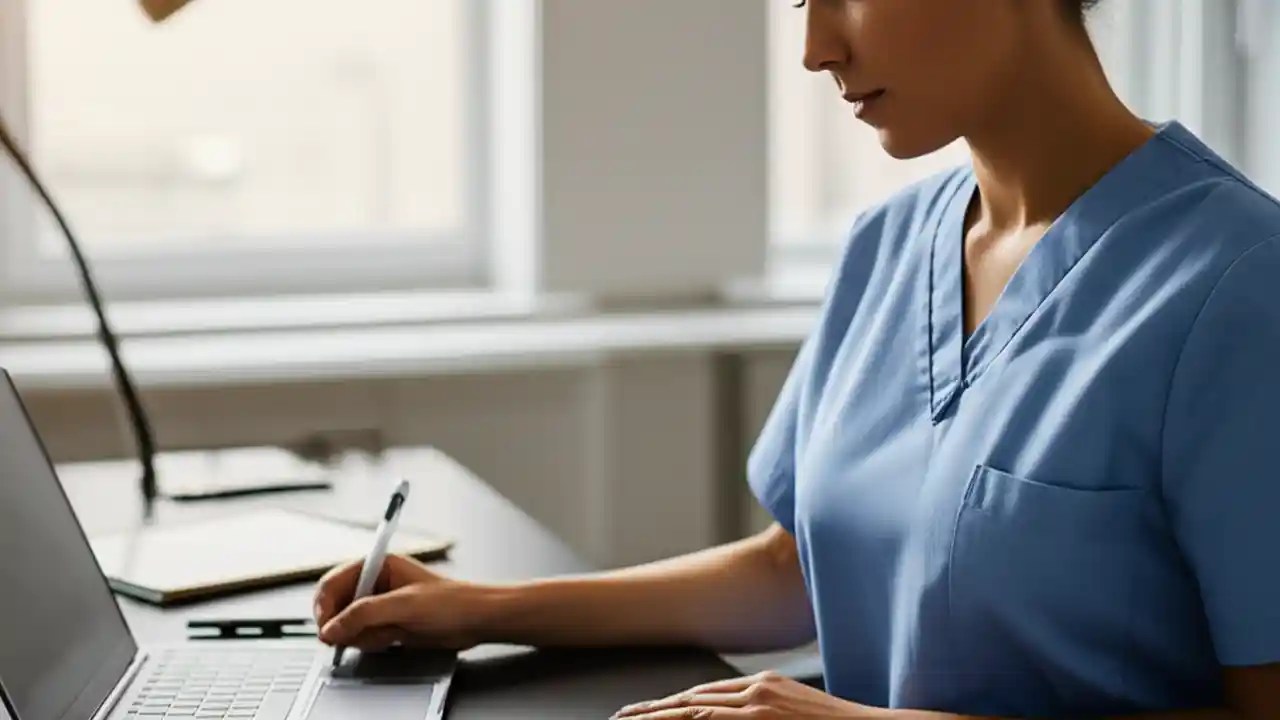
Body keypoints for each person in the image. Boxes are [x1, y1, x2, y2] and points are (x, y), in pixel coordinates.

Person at [314, 1, 1280, 717]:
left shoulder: (1239, 285)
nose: (817, 46)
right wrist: (483, 609)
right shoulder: (889, 244)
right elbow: (801, 567)